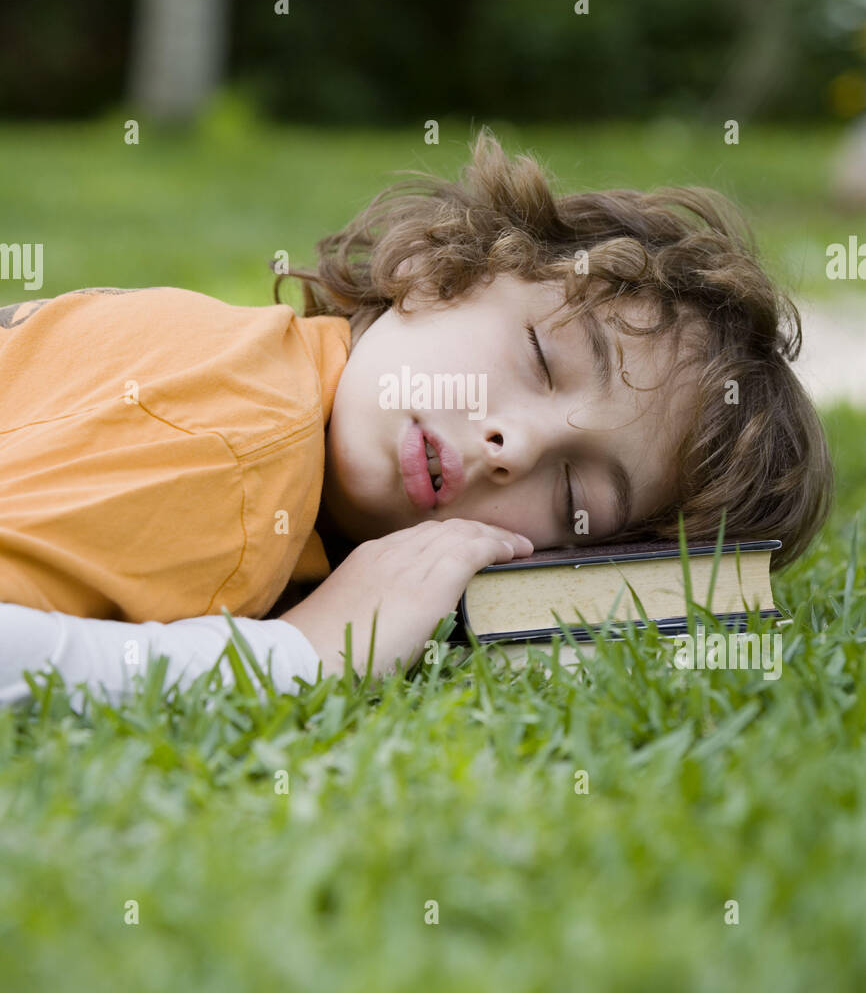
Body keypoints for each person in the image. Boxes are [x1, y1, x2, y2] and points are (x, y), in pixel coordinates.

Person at [0, 131, 832, 703]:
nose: (515, 444)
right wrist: (303, 654)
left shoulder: (263, 366)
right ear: (439, 269)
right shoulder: (245, 459)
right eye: (545, 360)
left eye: (576, 495)